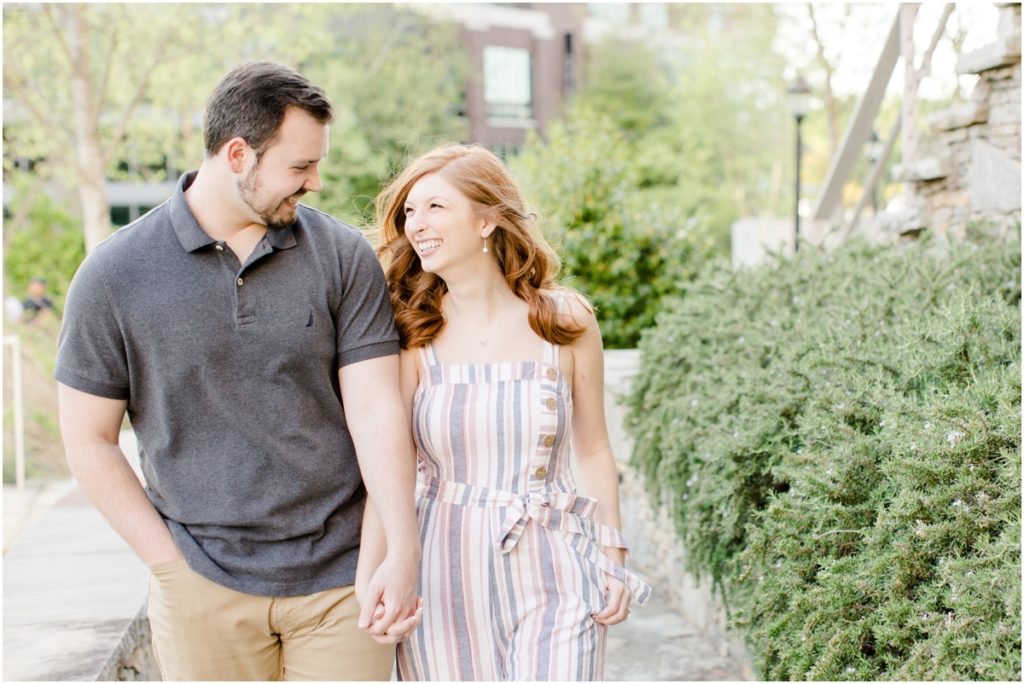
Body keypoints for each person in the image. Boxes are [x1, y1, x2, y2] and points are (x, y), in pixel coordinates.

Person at [55, 61, 421, 681]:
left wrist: (402, 545)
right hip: (201, 583)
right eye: (300, 167)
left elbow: (376, 409)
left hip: (342, 580)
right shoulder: (113, 275)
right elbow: (87, 439)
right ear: (236, 154)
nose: (316, 183)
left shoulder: (341, 256)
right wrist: (167, 563)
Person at [369, 144, 652, 681]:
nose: (416, 226)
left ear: (487, 219)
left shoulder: (564, 321)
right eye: (409, 212)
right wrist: (379, 572)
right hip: (442, 569)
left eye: (435, 208)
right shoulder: (411, 333)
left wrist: (613, 555)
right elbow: (391, 462)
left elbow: (593, 447)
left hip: (557, 562)